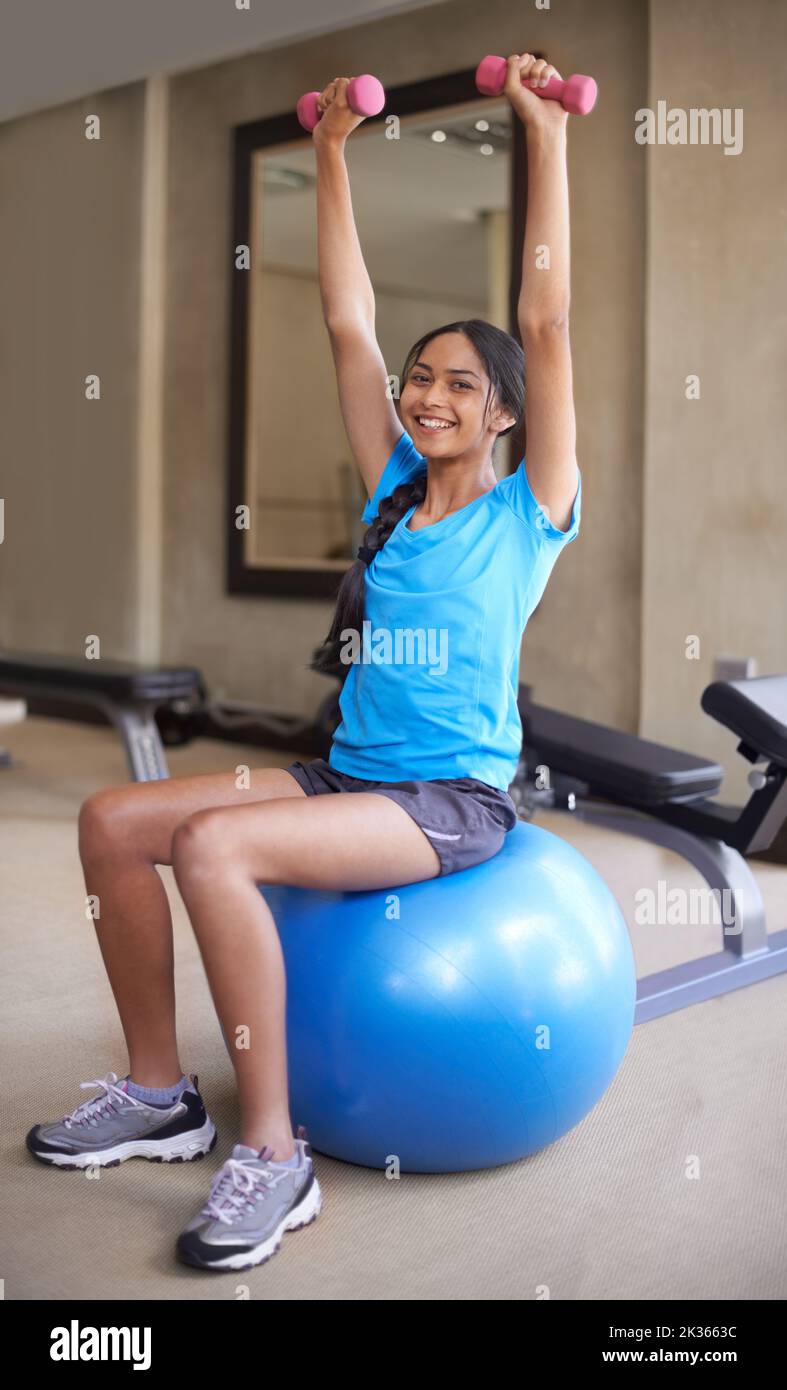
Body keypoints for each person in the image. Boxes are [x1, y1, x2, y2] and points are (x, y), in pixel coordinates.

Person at [25, 53, 581, 1273]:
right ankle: (163, 1090)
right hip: (345, 777)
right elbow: (345, 320)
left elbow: (545, 316)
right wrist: (327, 150)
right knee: (118, 818)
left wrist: (540, 134)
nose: (428, 395)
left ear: (506, 415)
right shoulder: (392, 488)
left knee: (216, 847)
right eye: (420, 378)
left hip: (447, 803)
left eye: (459, 384)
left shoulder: (529, 511)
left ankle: (273, 1156)